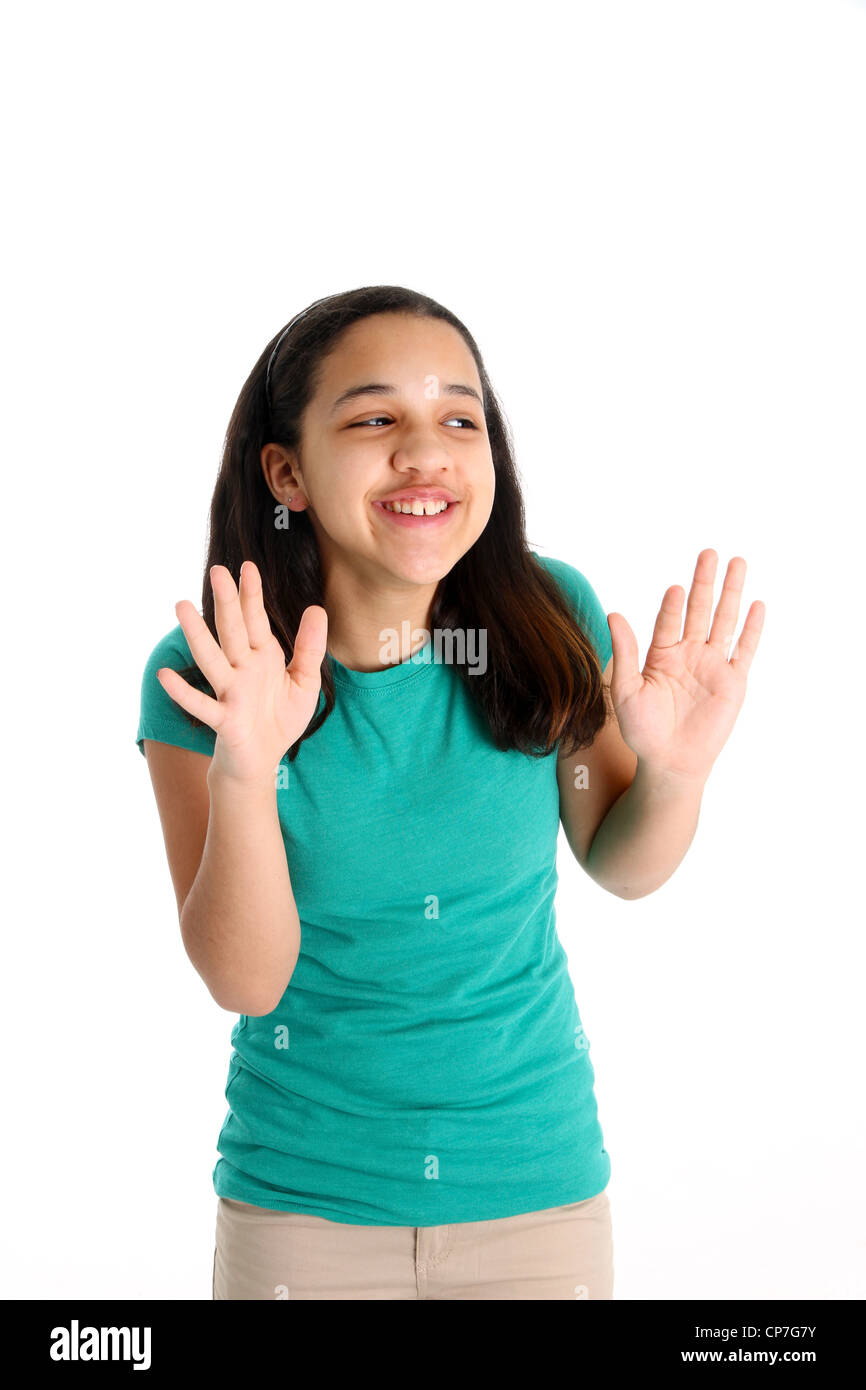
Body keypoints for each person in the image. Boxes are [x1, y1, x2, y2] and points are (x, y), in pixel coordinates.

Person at [136, 284, 764, 1300]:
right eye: (376, 417)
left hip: (536, 1198)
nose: (426, 451)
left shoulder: (542, 611)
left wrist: (676, 774)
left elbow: (619, 857)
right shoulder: (211, 672)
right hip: (304, 1209)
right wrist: (247, 767)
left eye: (458, 419)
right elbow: (247, 981)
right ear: (286, 470)